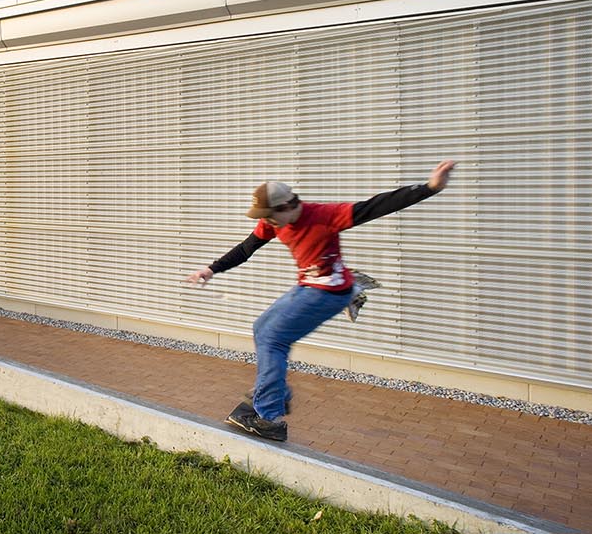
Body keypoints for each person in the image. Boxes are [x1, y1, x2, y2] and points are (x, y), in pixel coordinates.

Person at [185, 160, 457, 441]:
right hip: (307, 286)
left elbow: (377, 205)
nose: (265, 223)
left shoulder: (326, 215)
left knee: (274, 340)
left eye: (269, 217)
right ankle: (275, 392)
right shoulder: (272, 222)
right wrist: (211, 269)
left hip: (328, 293)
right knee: (260, 328)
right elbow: (246, 249)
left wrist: (429, 188)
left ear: (287, 206)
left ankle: (267, 417)